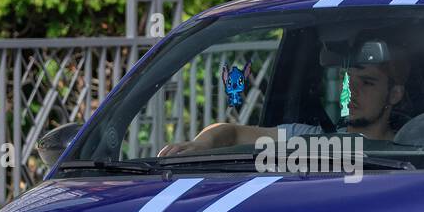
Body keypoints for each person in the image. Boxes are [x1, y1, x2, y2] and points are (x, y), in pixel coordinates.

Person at [158, 52, 409, 155]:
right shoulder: (308, 138)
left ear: (394, 94)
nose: (351, 90)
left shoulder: (413, 147)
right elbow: (231, 133)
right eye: (347, 81)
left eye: (367, 83)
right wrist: (200, 145)